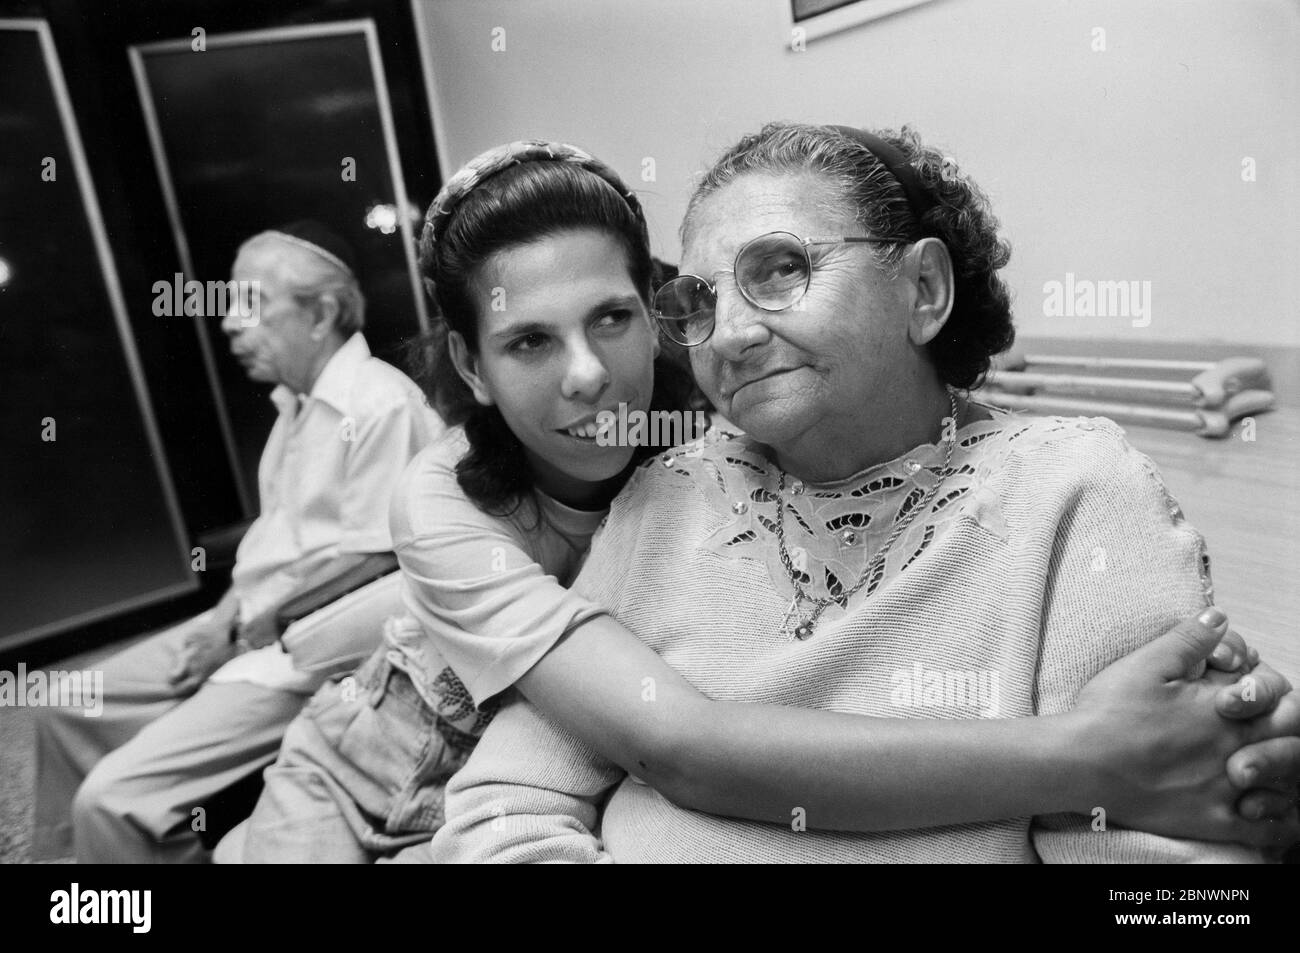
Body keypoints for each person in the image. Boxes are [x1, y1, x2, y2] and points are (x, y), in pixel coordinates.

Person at [227, 141, 1296, 864]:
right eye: (699, 299)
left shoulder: (1073, 493)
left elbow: (1170, 869)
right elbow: (517, 797)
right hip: (382, 724)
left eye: (778, 270)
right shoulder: (662, 489)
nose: (727, 331)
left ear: (923, 291)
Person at [32, 221, 443, 862]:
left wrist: (239, 630)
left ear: (321, 314)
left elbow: (378, 563)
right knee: (59, 703)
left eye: (249, 305)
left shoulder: (382, 406)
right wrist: (222, 617)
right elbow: (273, 542)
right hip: (244, 623)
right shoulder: (294, 408)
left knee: (111, 801)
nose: (227, 323)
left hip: (304, 656)